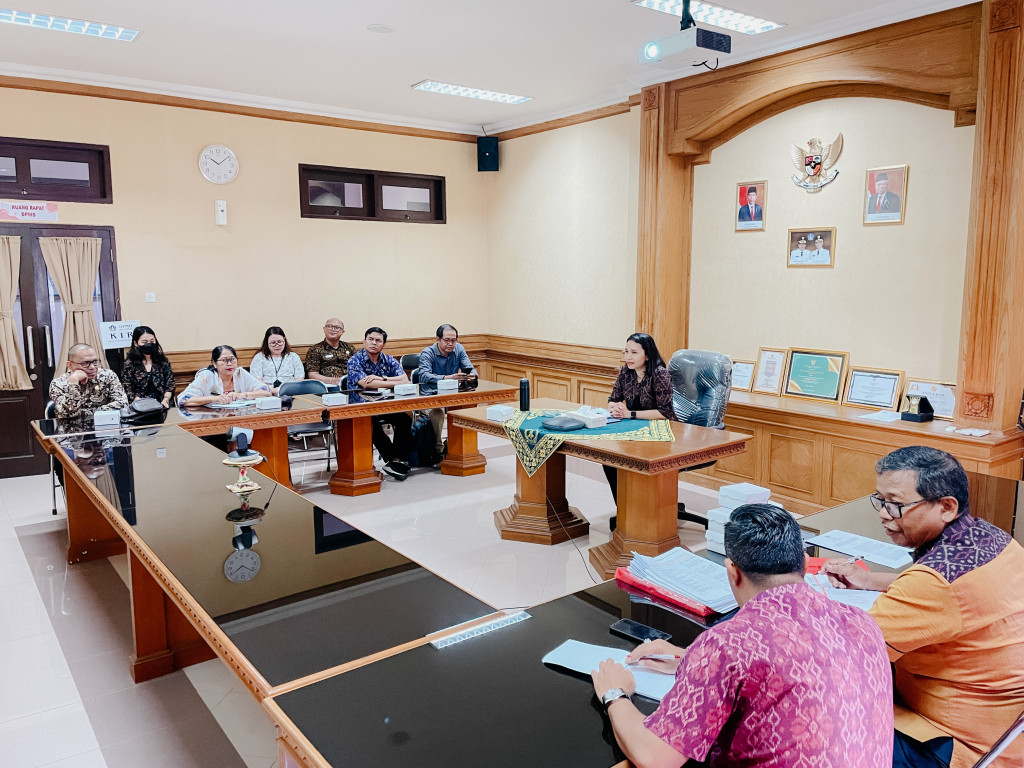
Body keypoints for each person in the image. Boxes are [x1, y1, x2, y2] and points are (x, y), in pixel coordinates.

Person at [591, 504, 894, 768]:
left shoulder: (729, 643)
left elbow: (654, 758)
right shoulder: (863, 622)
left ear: (732, 572)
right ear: (803, 564)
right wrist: (692, 659)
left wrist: (614, 693)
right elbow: (796, 661)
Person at [823, 446, 1024, 768]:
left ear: (946, 506)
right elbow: (962, 598)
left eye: (896, 504)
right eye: (880, 500)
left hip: (956, 742)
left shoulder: (933, 586)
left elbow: (846, 653)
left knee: (811, 718)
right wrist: (870, 580)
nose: (884, 513)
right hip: (1006, 728)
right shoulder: (995, 540)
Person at [604, 333, 676, 504]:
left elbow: (665, 413)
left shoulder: (660, 374)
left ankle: (640, 508)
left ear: (647, 354)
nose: (628, 357)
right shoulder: (625, 371)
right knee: (609, 459)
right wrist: (614, 407)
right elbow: (613, 398)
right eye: (626, 351)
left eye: (634, 353)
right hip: (633, 429)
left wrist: (629, 414)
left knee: (634, 462)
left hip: (660, 433)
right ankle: (624, 507)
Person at [347, 327, 414, 480]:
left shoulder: (388, 359)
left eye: (378, 341)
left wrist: (382, 379)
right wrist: (391, 382)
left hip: (384, 404)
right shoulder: (354, 360)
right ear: (364, 341)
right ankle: (393, 460)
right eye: (371, 339)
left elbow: (405, 380)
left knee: (404, 419)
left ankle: (398, 459)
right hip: (360, 406)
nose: (374, 343)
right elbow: (366, 384)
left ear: (383, 344)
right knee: (371, 424)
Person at [418, 323, 478, 454]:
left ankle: (457, 447)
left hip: (452, 395)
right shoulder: (428, 353)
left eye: (454, 340)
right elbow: (424, 375)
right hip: (429, 396)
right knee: (437, 412)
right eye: (446, 340)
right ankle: (438, 450)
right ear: (438, 340)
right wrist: (446, 378)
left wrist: (473, 375)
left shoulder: (459, 349)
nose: (450, 344)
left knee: (467, 407)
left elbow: (469, 367)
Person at [49, 343, 128, 418]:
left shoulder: (108, 376)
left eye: (94, 361)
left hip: (106, 425)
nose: (92, 367)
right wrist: (73, 383)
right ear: (70, 365)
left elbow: (123, 404)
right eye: (85, 363)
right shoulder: (58, 384)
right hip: (72, 430)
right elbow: (67, 414)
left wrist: (92, 412)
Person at [179, 345, 272, 407]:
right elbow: (183, 400)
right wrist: (214, 399)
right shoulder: (206, 376)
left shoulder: (240, 373)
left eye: (232, 359)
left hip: (239, 419)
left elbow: (266, 391)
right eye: (224, 360)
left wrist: (242, 395)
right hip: (212, 422)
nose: (229, 363)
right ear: (214, 363)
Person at [120, 325, 175, 408]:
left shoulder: (163, 360)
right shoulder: (129, 364)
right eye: (145, 342)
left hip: (163, 403)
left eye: (152, 341)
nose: (149, 344)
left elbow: (170, 384)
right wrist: (137, 401)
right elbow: (127, 388)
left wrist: (166, 398)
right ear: (136, 343)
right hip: (140, 405)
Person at [249, 326, 304, 393]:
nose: (277, 345)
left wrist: (285, 390)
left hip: (291, 392)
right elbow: (257, 381)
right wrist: (273, 390)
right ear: (267, 343)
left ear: (284, 340)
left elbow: (299, 378)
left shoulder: (293, 357)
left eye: (280, 342)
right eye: (273, 343)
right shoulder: (259, 357)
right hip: (266, 393)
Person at [305, 317, 355, 387]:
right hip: (327, 386)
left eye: (337, 327)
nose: (333, 329)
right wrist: (332, 381)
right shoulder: (315, 349)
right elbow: (312, 375)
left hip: (351, 384)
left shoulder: (349, 348)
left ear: (342, 332)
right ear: (324, 329)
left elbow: (358, 368)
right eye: (329, 326)